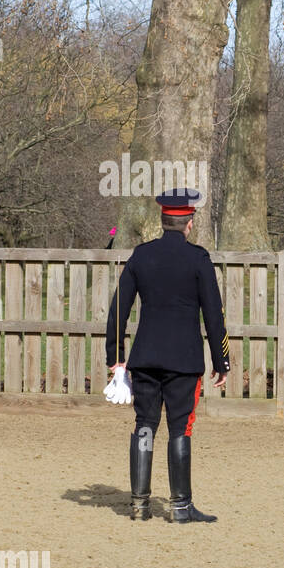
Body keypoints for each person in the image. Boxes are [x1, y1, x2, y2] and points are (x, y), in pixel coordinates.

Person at [105, 189, 230, 524]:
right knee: (180, 429)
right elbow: (214, 315)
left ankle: (140, 505)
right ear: (189, 223)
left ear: (163, 221)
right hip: (184, 360)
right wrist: (222, 362)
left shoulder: (141, 256)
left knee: (144, 424)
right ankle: (180, 507)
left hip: (144, 357)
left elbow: (119, 309)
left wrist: (116, 358)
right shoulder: (198, 259)